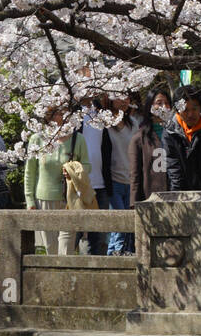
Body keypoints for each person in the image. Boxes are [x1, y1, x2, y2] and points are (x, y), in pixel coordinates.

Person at [24, 106, 91, 255]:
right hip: (45, 198)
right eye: (57, 113)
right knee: (50, 248)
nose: (61, 116)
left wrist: (75, 170)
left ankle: (66, 277)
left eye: (65, 112)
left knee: (66, 248)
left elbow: (87, 165)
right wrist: (30, 201)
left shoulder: (77, 139)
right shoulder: (37, 139)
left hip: (70, 198)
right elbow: (30, 172)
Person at [105, 92, 140, 255]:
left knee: (126, 228)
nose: (125, 101)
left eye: (127, 97)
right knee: (119, 226)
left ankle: (112, 260)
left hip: (130, 181)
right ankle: (116, 261)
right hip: (113, 181)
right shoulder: (103, 124)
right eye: (119, 96)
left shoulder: (133, 123)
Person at [130, 88, 173, 207]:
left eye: (167, 103)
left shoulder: (176, 133)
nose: (164, 106)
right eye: (159, 103)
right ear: (150, 106)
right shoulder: (139, 138)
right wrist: (134, 203)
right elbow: (135, 174)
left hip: (175, 195)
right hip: (150, 197)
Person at [80, 96, 111, 254]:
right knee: (76, 233)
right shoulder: (73, 115)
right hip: (79, 184)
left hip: (101, 182)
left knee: (98, 236)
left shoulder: (102, 113)